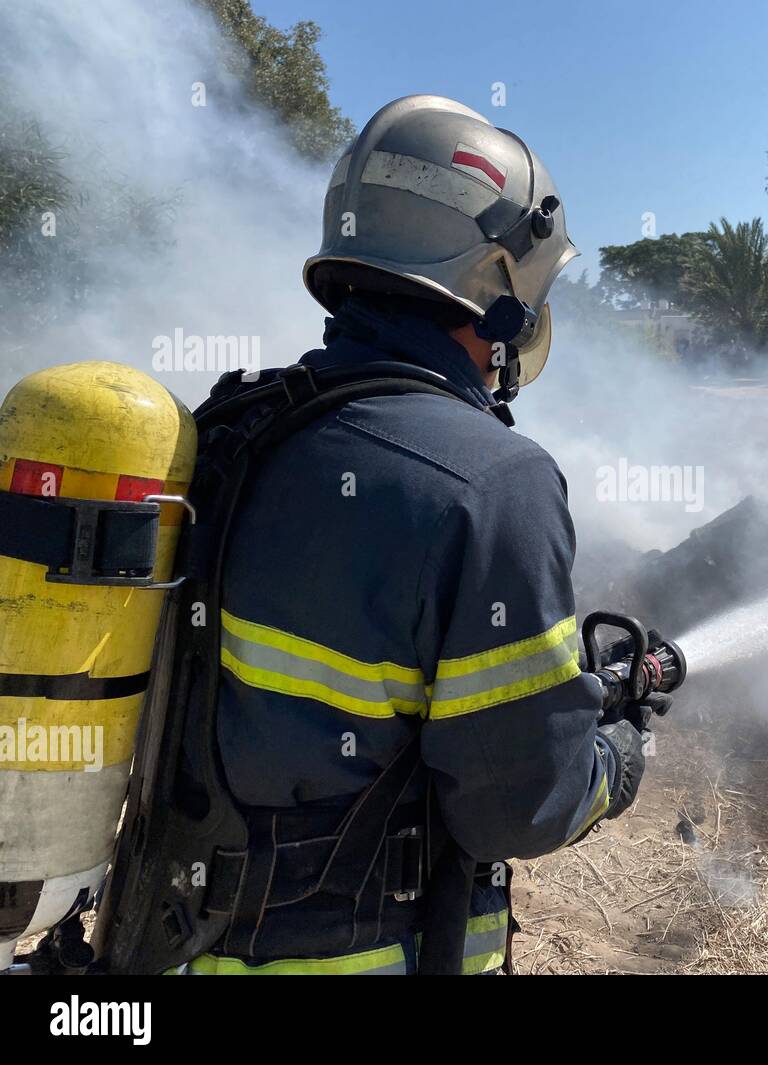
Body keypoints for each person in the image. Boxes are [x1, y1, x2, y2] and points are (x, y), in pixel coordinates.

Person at [178, 95, 647, 975]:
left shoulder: (230, 431)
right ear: (495, 285)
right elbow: (521, 806)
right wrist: (612, 761)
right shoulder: (495, 483)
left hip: (171, 942)